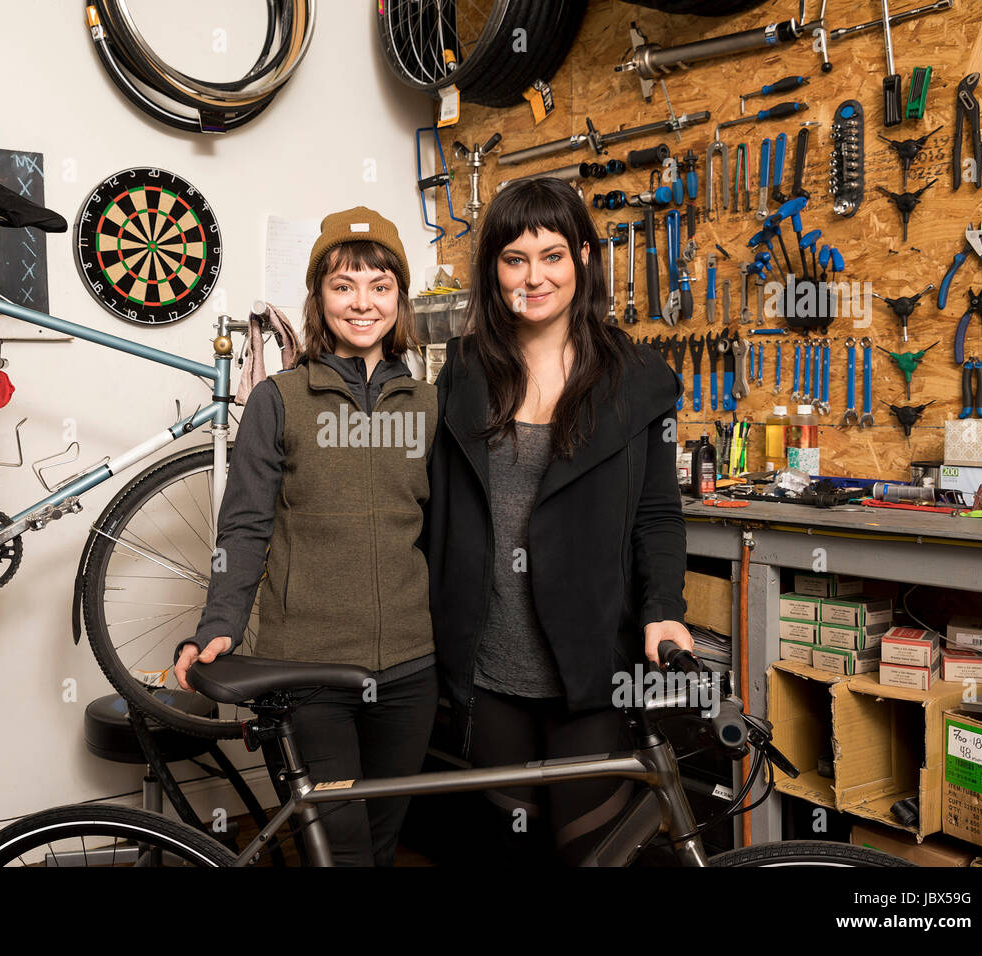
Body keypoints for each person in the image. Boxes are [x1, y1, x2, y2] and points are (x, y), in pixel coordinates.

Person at [425, 177, 695, 864]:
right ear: (493, 269)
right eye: (514, 258)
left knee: (588, 853)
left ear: (581, 257)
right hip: (488, 668)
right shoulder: (462, 371)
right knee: (509, 852)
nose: (533, 277)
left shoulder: (638, 378)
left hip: (590, 666)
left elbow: (659, 512)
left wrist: (663, 607)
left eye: (551, 256)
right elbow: (429, 505)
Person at [173, 207, 438, 866]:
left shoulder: (430, 406)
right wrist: (219, 622)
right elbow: (244, 523)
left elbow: (451, 531)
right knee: (339, 847)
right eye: (343, 285)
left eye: (380, 285)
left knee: (381, 842)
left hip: (410, 669)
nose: (362, 302)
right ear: (319, 297)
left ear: (398, 297)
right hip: (311, 671)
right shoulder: (281, 401)